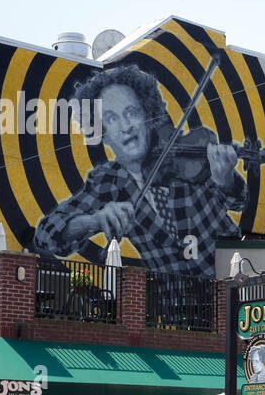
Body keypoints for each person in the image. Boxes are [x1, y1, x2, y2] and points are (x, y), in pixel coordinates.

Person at [32, 64, 249, 276]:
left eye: (131, 112)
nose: (126, 126)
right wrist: (94, 220)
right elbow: (45, 237)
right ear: (101, 132)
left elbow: (238, 201)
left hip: (231, 282)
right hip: (170, 296)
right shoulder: (106, 181)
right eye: (111, 118)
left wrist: (226, 180)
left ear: (147, 114)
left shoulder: (189, 159)